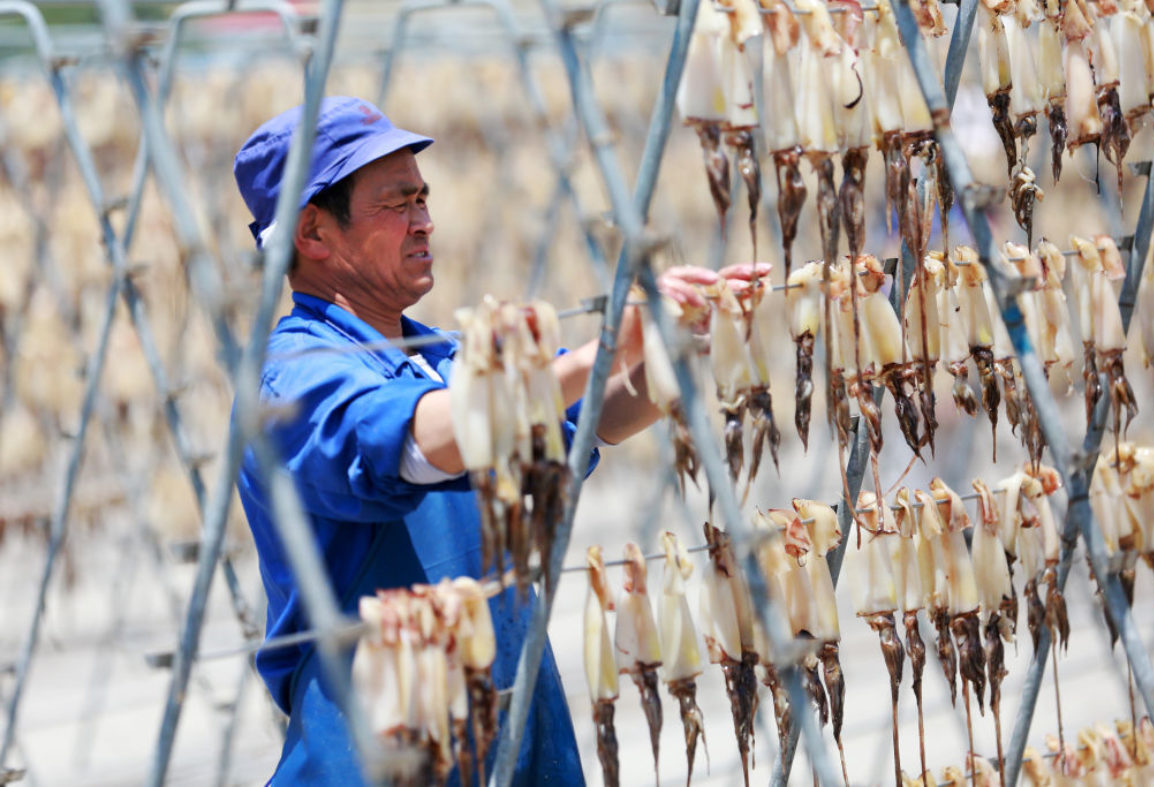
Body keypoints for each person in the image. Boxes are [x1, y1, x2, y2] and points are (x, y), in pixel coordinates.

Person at [232, 96, 767, 785]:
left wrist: (674, 349)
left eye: (423, 197)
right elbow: (418, 441)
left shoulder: (442, 355)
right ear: (313, 232)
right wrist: (603, 346)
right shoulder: (294, 377)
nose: (425, 220)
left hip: (507, 729)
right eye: (397, 203)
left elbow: (581, 423)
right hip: (374, 753)